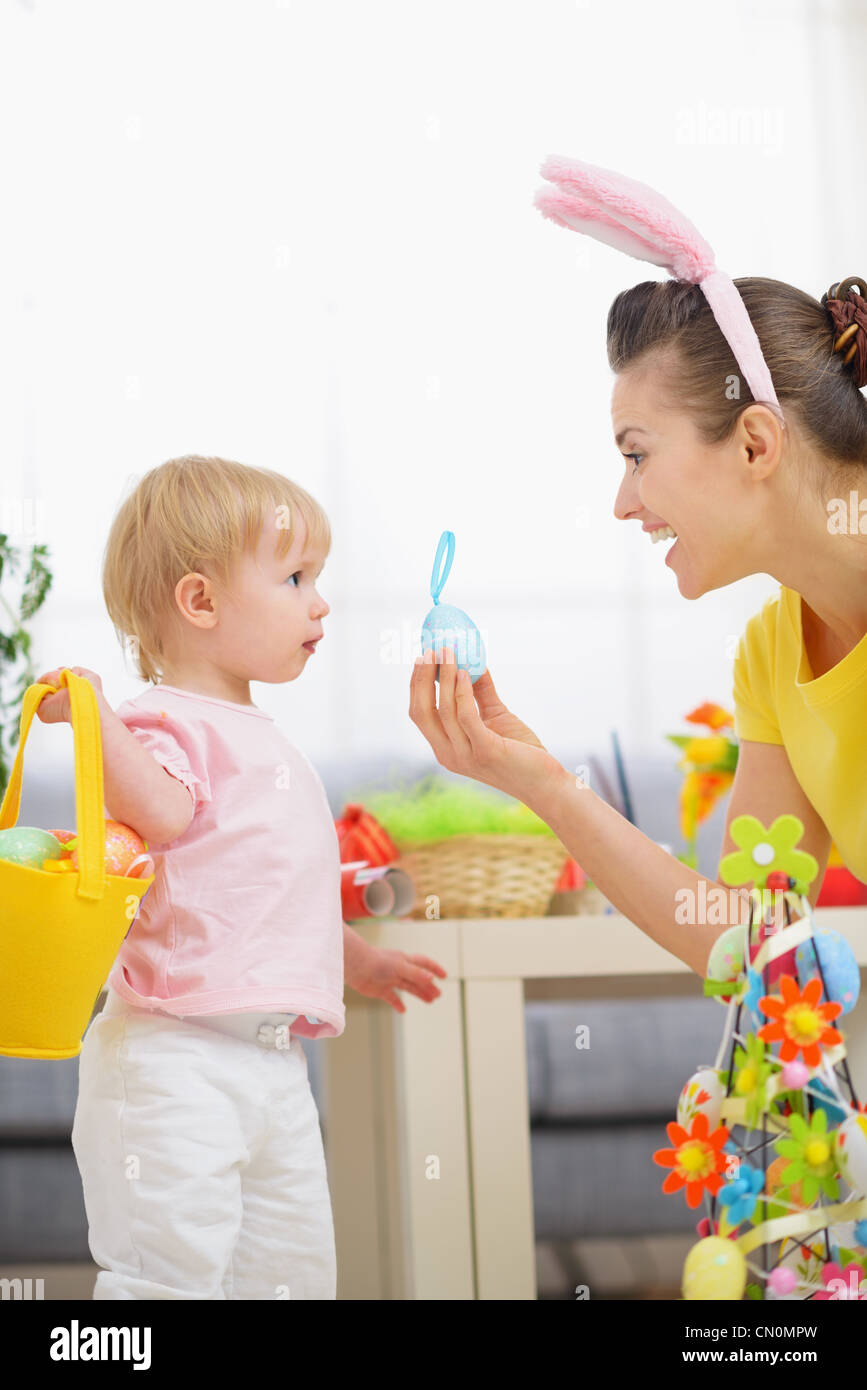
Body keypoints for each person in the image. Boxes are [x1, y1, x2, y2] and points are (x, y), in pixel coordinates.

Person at [36, 455, 445, 1300]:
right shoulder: (161, 723)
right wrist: (93, 717)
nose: (319, 601)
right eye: (296, 577)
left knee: (289, 1276)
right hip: (171, 1061)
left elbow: (270, 892)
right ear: (200, 602)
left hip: (270, 1067)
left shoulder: (264, 738)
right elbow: (163, 813)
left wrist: (354, 961)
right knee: (169, 1277)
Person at [409, 270, 867, 979]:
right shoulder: (772, 657)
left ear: (753, 444)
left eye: (637, 455)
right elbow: (752, 946)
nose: (624, 502)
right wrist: (549, 788)